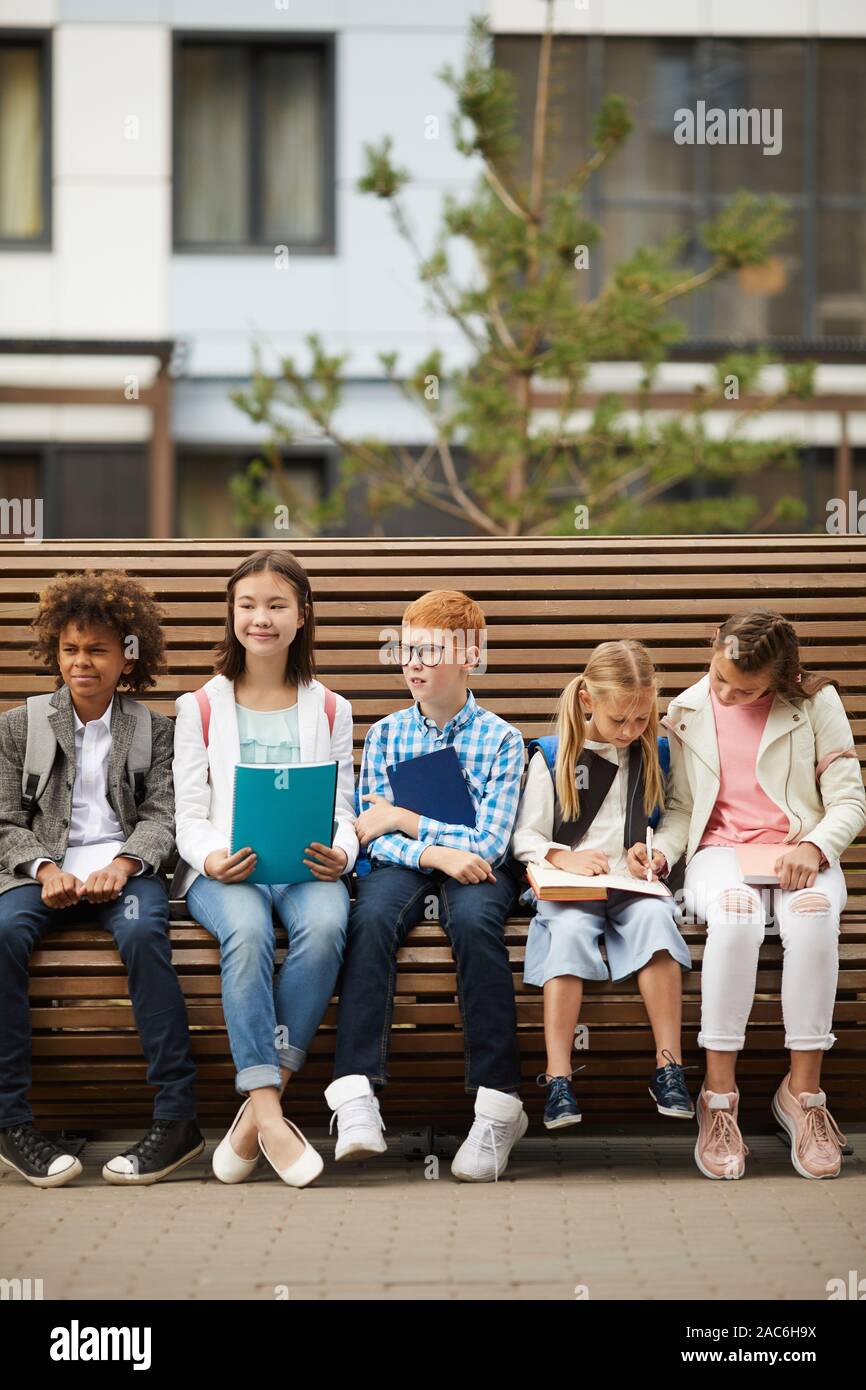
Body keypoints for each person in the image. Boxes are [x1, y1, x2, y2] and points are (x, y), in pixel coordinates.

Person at [630, 609, 866, 1180]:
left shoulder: (816, 704)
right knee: (734, 921)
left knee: (811, 919)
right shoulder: (685, 712)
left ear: (780, 678)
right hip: (720, 854)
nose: (730, 696)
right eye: (721, 681)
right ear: (713, 649)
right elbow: (685, 809)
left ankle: (803, 1097)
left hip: (799, 851)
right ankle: (718, 1098)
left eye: (749, 690)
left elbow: (849, 801)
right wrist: (661, 851)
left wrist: (813, 847)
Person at [0, 569, 201, 1187]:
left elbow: (164, 816)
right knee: (2, 934)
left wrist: (122, 864)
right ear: (54, 652)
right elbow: (5, 819)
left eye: (98, 650)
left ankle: (177, 1118)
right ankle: (11, 1122)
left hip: (125, 871)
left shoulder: (153, 728)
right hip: (45, 871)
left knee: (144, 935)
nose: (81, 662)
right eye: (70, 649)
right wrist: (44, 868)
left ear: (127, 656)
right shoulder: (19, 726)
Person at [325, 589, 527, 1182]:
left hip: (478, 872)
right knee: (370, 917)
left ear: (470, 657)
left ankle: (497, 1105)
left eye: (430, 651)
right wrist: (432, 849)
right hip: (409, 864)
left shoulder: (500, 739)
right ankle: (356, 1093)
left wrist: (408, 820)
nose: (413, 663)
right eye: (407, 650)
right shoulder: (387, 734)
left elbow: (490, 843)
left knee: (474, 922)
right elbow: (371, 833)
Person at [173, 549, 357, 1188]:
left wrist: (343, 851)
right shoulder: (198, 707)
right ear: (231, 615)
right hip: (227, 873)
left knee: (330, 925)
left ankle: (258, 1114)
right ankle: (274, 1116)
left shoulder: (331, 707)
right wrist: (211, 857)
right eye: (248, 605)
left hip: (306, 868)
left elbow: (344, 807)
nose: (262, 618)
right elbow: (189, 813)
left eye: (277, 605)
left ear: (302, 617)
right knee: (247, 935)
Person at [512, 639, 692, 1130]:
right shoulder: (551, 758)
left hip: (635, 887)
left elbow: (678, 814)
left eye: (641, 720)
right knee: (567, 934)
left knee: (657, 922)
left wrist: (659, 853)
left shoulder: (654, 751)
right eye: (620, 721)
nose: (631, 731)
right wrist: (562, 857)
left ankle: (668, 1066)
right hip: (572, 889)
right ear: (588, 701)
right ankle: (558, 1076)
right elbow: (526, 835)